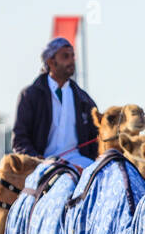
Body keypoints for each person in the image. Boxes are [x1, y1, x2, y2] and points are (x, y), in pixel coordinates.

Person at [12, 37, 100, 167]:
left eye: (72, 56)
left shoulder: (84, 100)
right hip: (42, 165)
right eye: (65, 56)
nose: (71, 61)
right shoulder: (30, 95)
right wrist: (35, 159)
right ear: (51, 61)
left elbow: (96, 137)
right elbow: (20, 139)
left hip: (80, 162)